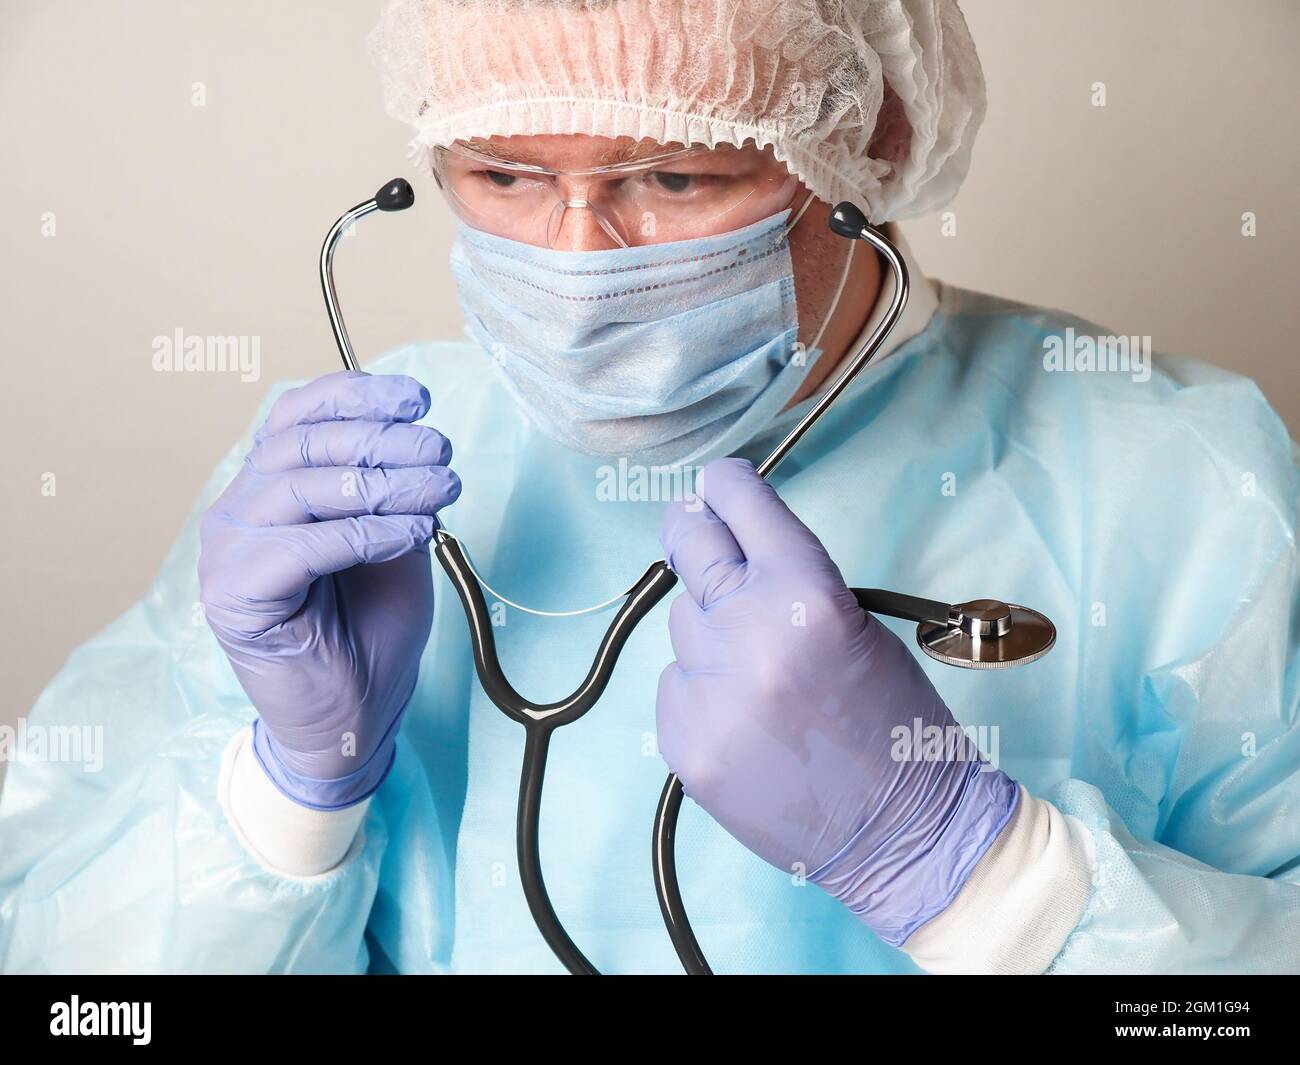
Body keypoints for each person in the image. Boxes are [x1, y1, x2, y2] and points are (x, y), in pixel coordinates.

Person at [2, 0, 1298, 975]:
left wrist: (978, 874)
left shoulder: (1180, 484)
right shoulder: (343, 484)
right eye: (505, 174)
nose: (575, 257)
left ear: (870, 139)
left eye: (674, 174)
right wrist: (285, 794)